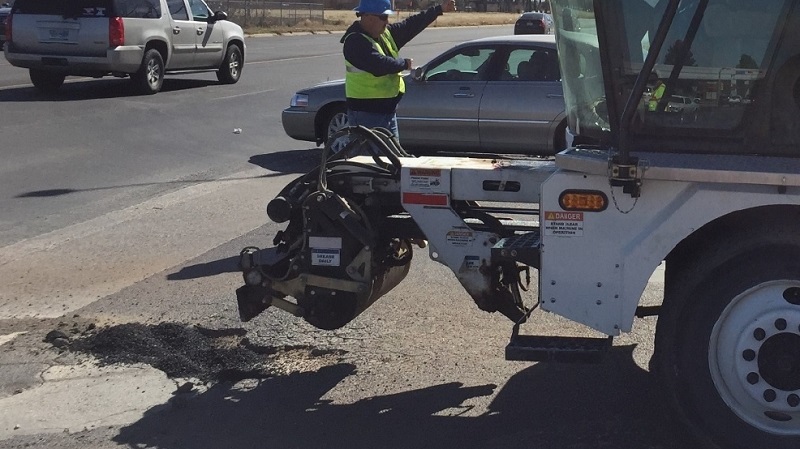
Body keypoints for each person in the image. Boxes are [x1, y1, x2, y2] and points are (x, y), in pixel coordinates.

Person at [340, 0, 456, 142]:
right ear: (368, 17)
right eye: (383, 17)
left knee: (391, 155)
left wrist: (439, 9)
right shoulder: (354, 41)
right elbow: (378, 65)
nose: (387, 22)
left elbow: (411, 25)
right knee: (369, 155)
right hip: (366, 114)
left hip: (387, 113)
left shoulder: (384, 34)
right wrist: (403, 64)